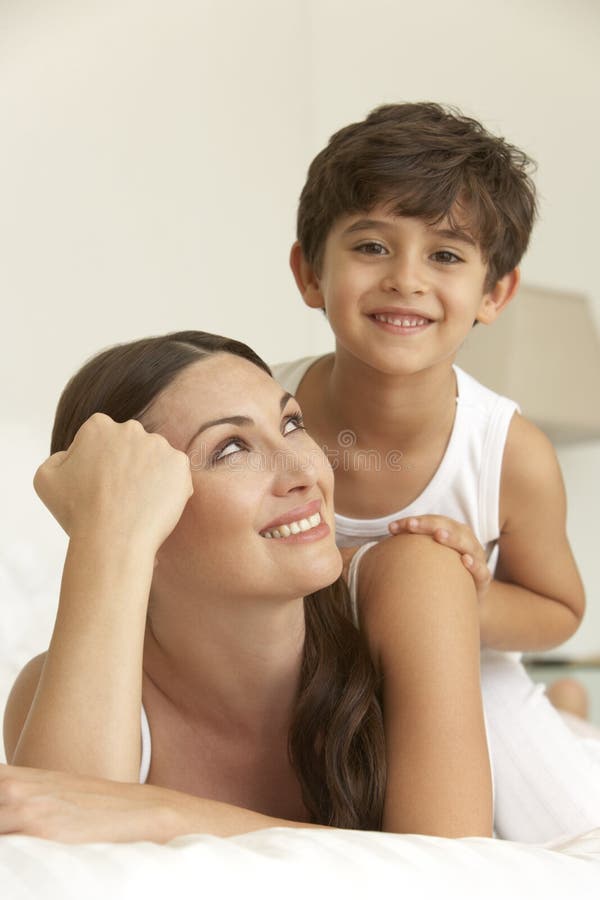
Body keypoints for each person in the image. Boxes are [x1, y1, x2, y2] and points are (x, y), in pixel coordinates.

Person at [1, 330, 492, 842]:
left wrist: (164, 816)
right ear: (142, 509)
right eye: (231, 448)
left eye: (292, 424)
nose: (304, 471)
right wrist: (105, 535)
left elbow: (450, 869)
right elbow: (62, 868)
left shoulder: (413, 580)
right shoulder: (55, 692)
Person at [272, 102, 600, 843]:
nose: (406, 280)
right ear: (309, 272)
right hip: (305, 687)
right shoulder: (260, 415)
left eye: (446, 256)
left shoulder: (510, 454)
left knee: (574, 833)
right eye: (371, 246)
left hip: (466, 686)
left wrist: (464, 596)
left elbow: (558, 608)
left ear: (495, 295)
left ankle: (569, 719)